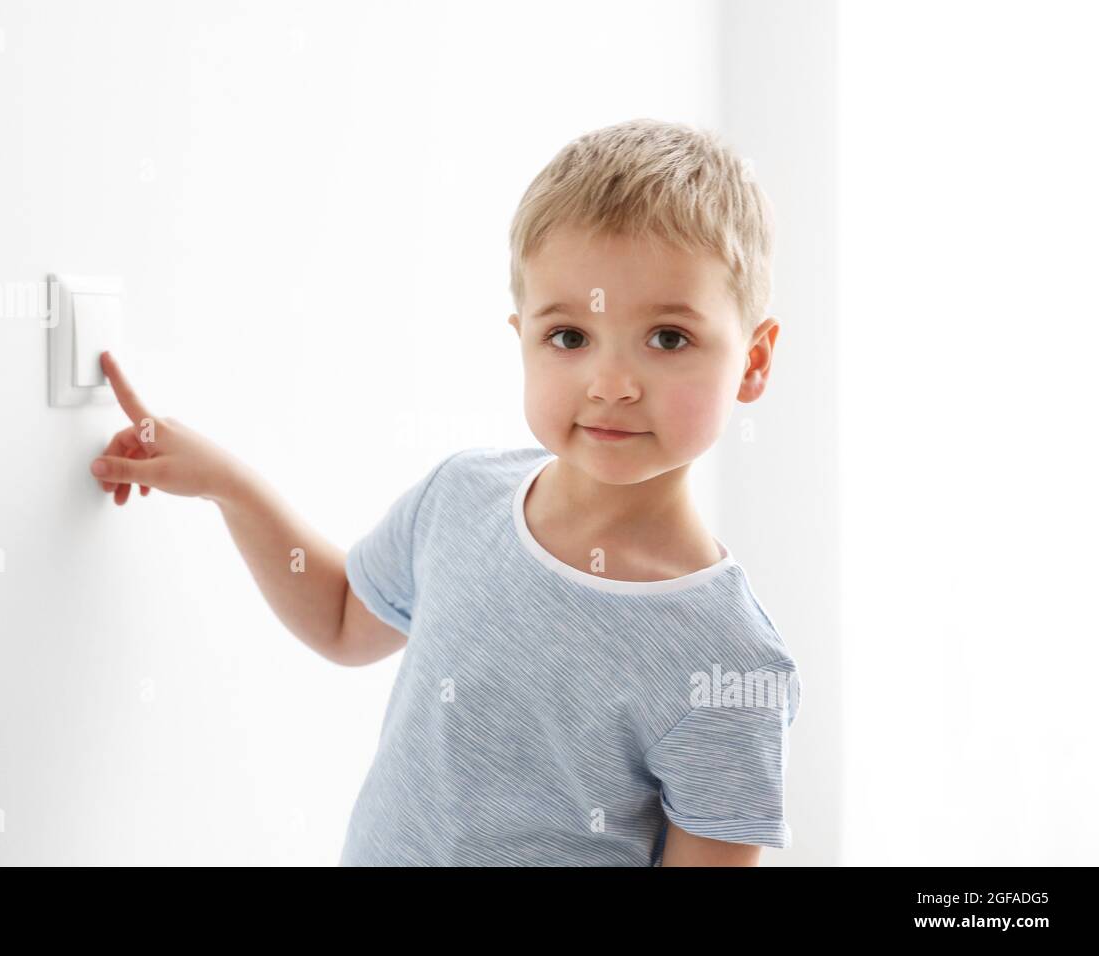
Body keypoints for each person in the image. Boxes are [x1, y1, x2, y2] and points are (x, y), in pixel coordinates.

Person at [88, 118, 802, 867]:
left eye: (667, 338)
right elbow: (338, 618)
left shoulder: (731, 666)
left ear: (753, 361)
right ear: (521, 334)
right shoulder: (460, 500)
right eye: (569, 337)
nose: (611, 385)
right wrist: (225, 484)